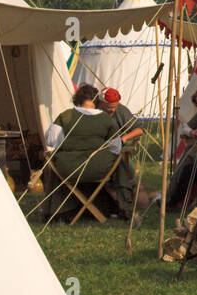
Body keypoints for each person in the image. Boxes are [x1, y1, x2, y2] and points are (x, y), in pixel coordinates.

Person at [42, 84, 135, 220]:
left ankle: (60, 209)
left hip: (69, 169)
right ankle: (121, 207)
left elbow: (51, 140)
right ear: (97, 102)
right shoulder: (106, 119)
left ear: (77, 100)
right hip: (99, 168)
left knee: (55, 161)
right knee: (118, 162)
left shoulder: (66, 116)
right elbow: (115, 148)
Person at [99, 88, 150, 211]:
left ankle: (136, 205)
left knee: (130, 179)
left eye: (114, 106)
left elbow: (139, 129)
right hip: (98, 152)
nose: (112, 109)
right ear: (101, 103)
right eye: (110, 106)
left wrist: (123, 138)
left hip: (117, 152)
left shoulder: (121, 111)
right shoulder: (94, 110)